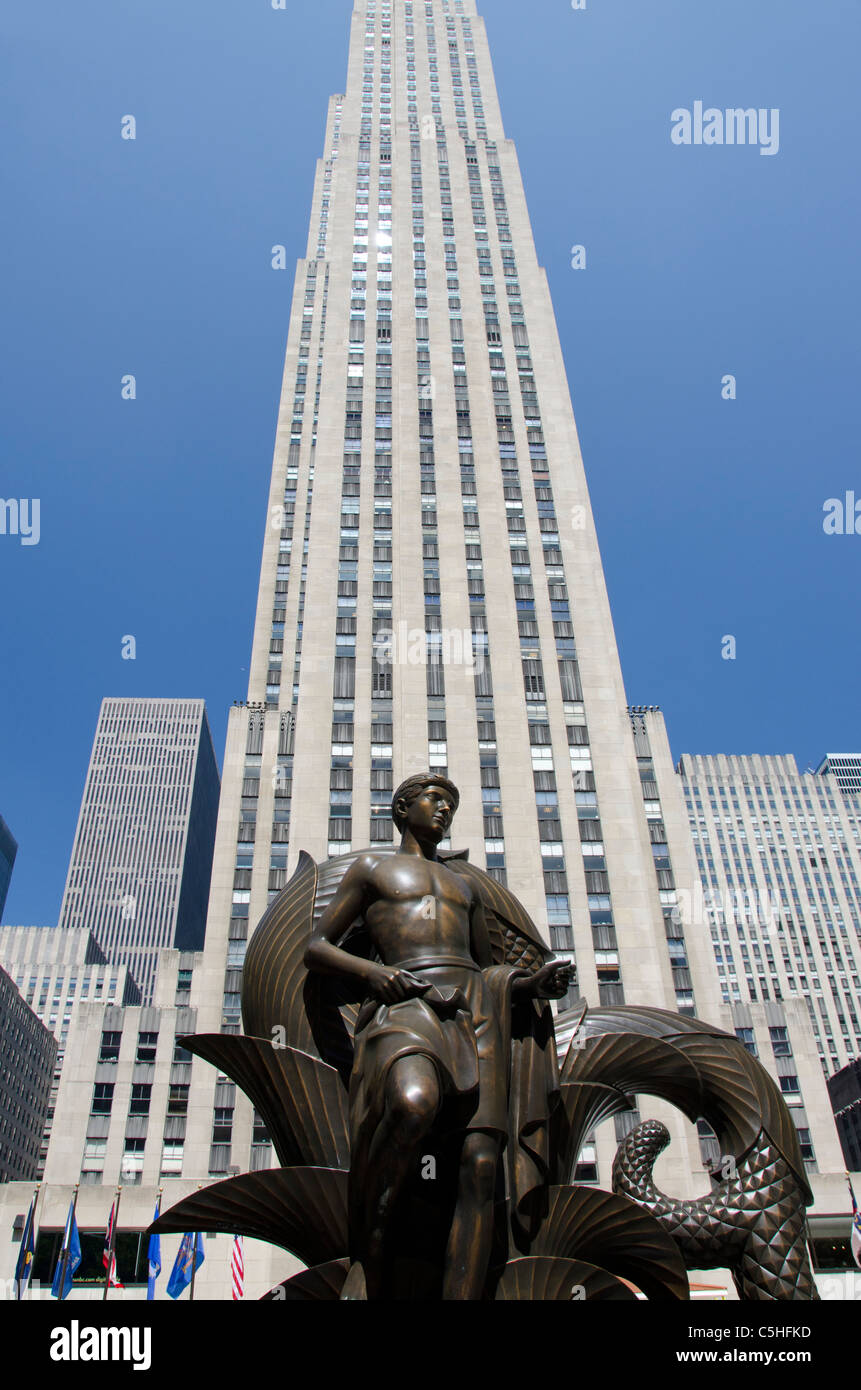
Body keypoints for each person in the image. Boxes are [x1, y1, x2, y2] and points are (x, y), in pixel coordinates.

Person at [303, 773, 571, 1300]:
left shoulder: (466, 886)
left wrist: (531, 984)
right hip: (405, 1003)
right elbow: (316, 948)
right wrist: (373, 974)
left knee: (480, 1165)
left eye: (451, 803)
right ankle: (370, 1255)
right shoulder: (372, 868)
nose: (444, 811)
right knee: (412, 1102)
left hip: (477, 1011)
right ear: (402, 808)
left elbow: (487, 966)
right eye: (434, 800)